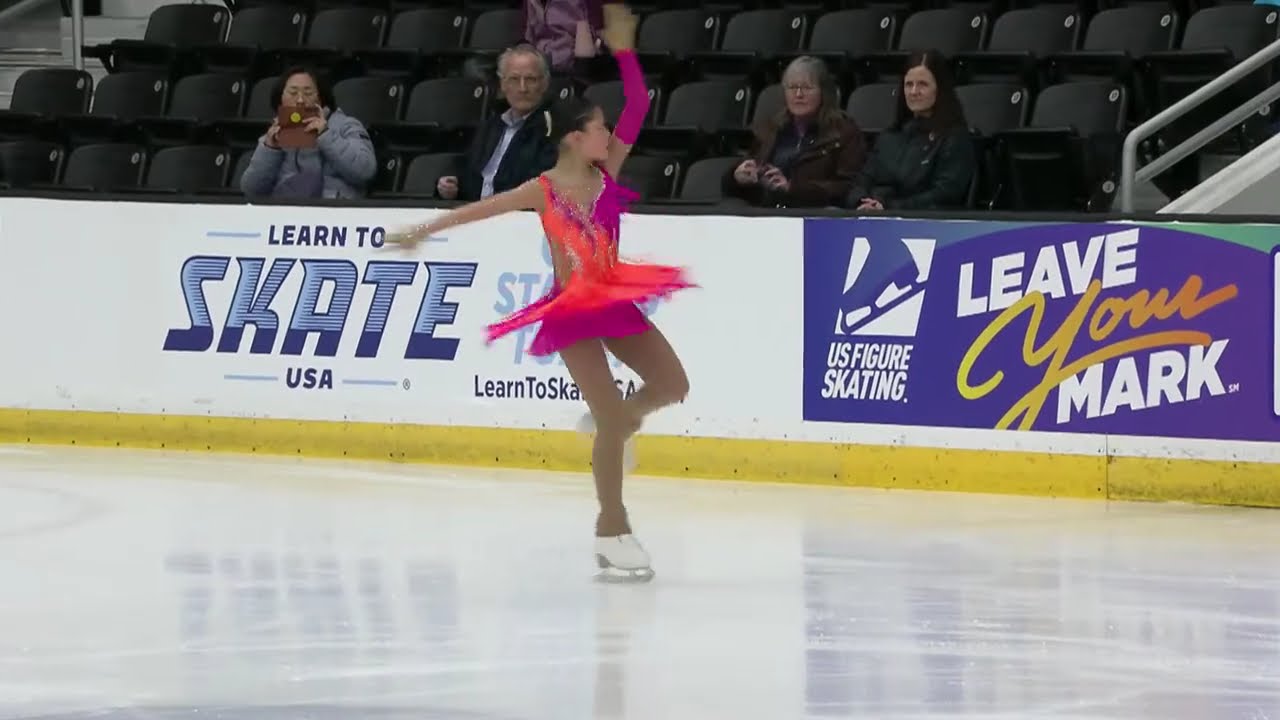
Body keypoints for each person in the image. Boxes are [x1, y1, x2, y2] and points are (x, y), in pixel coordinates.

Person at [388, 4, 692, 581]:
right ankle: (612, 528)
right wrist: (418, 232)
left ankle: (620, 423)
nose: (610, 133)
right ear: (577, 138)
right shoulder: (542, 189)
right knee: (607, 421)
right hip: (575, 311)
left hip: (615, 301)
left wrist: (625, 50)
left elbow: (641, 106)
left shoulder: (608, 174)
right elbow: (473, 211)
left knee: (673, 384)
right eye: (600, 128)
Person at [844, 50, 977, 212]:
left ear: (940, 89)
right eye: (909, 84)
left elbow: (945, 194)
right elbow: (862, 180)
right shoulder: (890, 136)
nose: (914, 92)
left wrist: (889, 207)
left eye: (923, 84)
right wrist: (861, 201)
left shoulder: (954, 138)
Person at [725, 56, 866, 208]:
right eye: (792, 87)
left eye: (806, 88)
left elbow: (847, 187)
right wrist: (737, 177)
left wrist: (792, 188)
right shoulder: (772, 129)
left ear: (823, 93)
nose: (798, 95)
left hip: (813, 213)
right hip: (769, 210)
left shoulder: (844, 131)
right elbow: (749, 166)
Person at [437, 44, 558, 202]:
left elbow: (538, 186)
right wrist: (451, 186)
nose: (522, 88)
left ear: (544, 84)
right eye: (514, 79)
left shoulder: (554, 129)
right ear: (503, 85)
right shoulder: (489, 127)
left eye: (531, 79)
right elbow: (465, 171)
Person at [240, 66, 376, 200]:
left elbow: (365, 171)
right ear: (280, 99)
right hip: (285, 214)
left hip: (332, 213)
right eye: (293, 93)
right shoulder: (275, 135)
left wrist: (325, 135)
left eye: (308, 93)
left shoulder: (346, 125)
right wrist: (270, 149)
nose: (300, 100)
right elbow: (251, 190)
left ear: (321, 98)